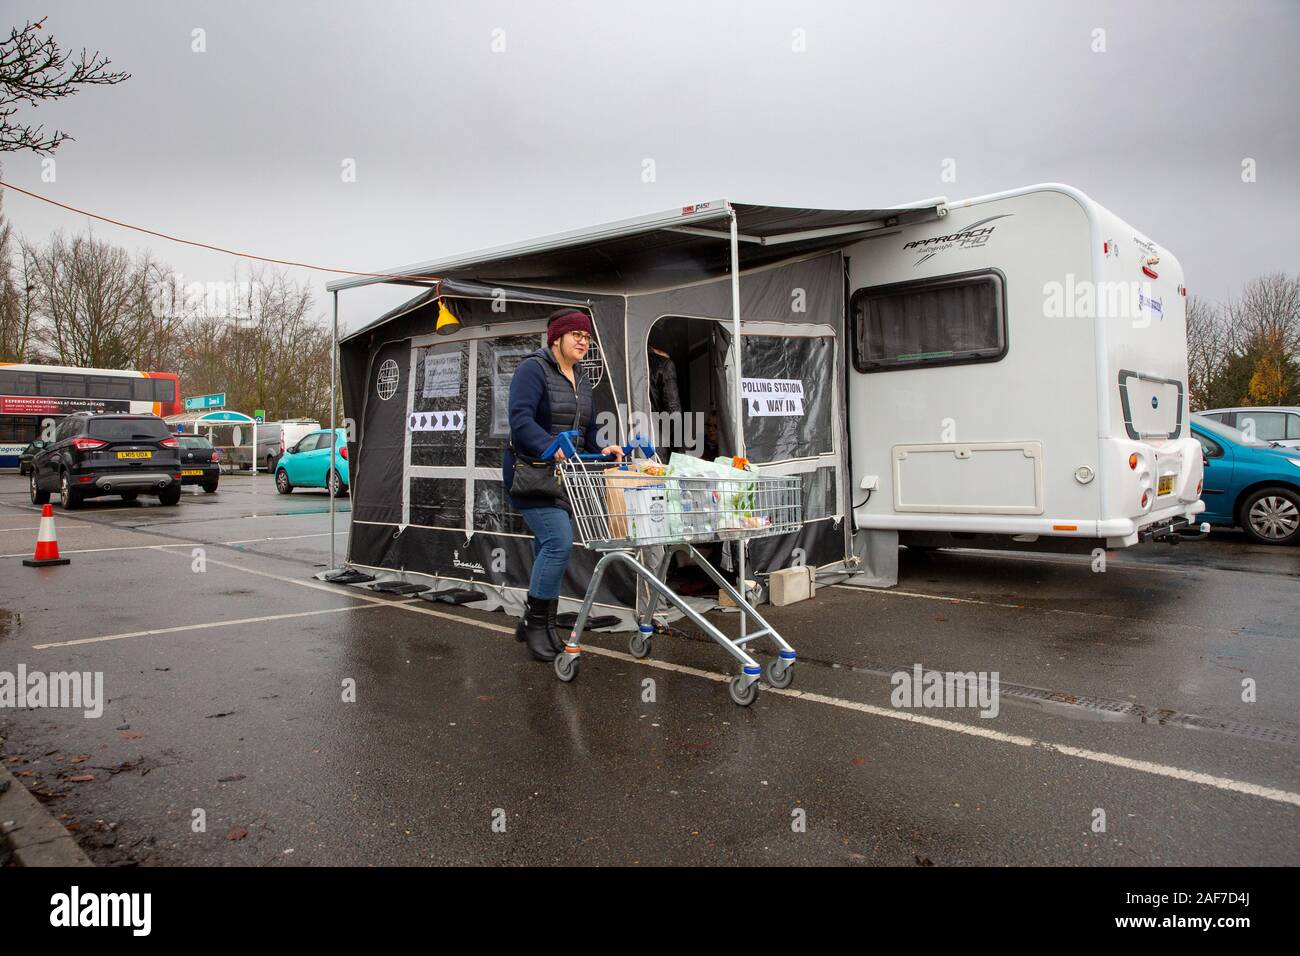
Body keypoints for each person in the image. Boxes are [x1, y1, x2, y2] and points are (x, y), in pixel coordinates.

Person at [505, 309, 623, 662]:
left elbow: (585, 432)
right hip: (529, 474)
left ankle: (537, 623)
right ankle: (538, 628)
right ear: (556, 338)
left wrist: (603, 449)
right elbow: (520, 420)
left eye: (587, 337)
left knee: (548, 548)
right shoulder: (532, 370)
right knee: (558, 542)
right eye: (577, 335)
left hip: (561, 479)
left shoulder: (583, 379)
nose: (584, 342)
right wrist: (549, 445)